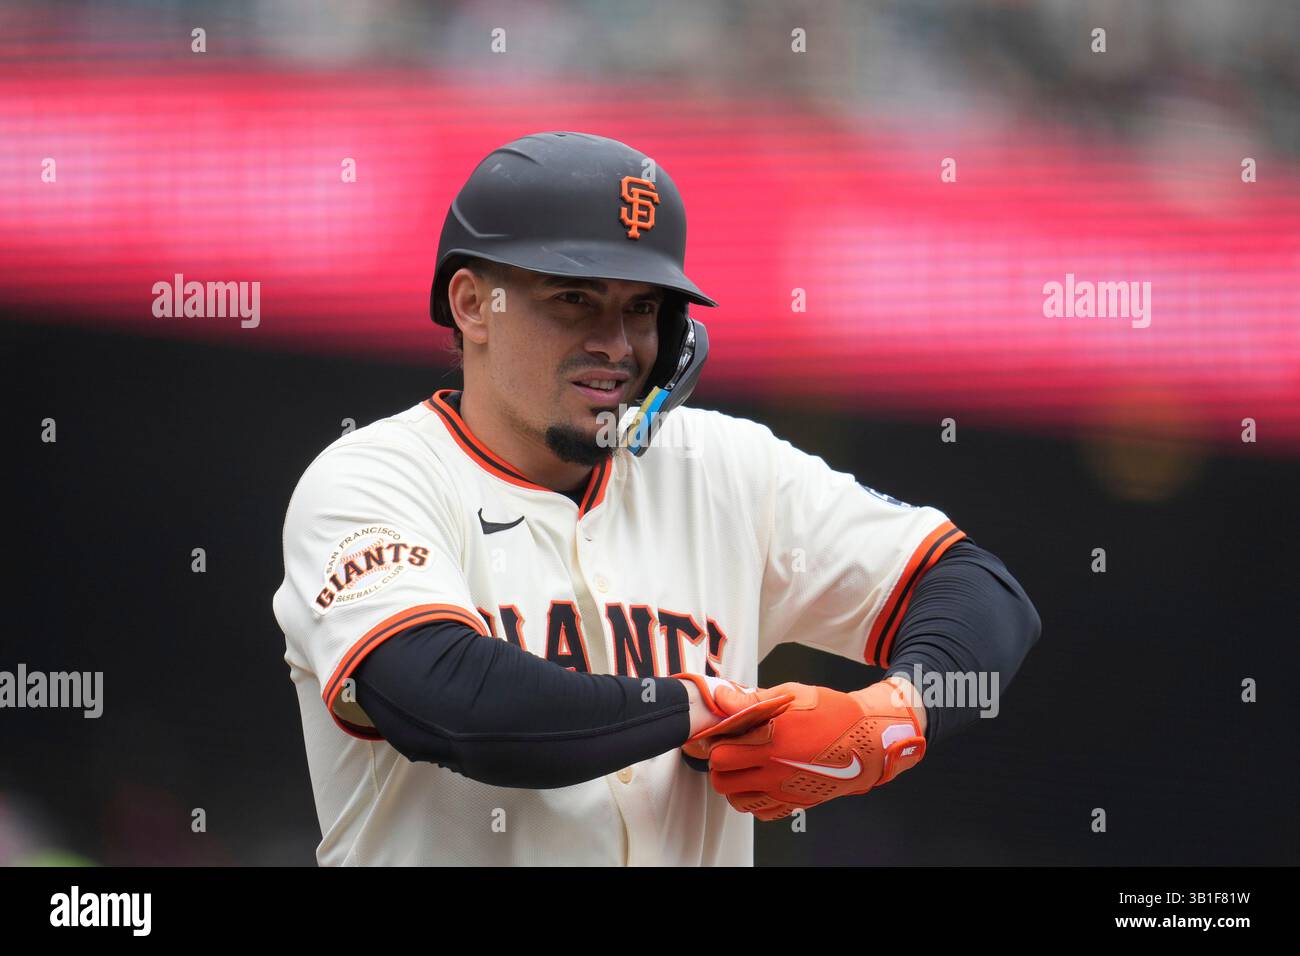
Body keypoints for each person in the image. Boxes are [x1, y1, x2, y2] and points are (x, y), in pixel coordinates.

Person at [272, 131, 1041, 865]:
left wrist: (889, 719)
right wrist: (702, 705)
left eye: (642, 308)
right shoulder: (375, 477)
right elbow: (461, 710)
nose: (618, 343)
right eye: (574, 297)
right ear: (473, 304)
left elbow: (982, 593)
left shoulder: (722, 465)